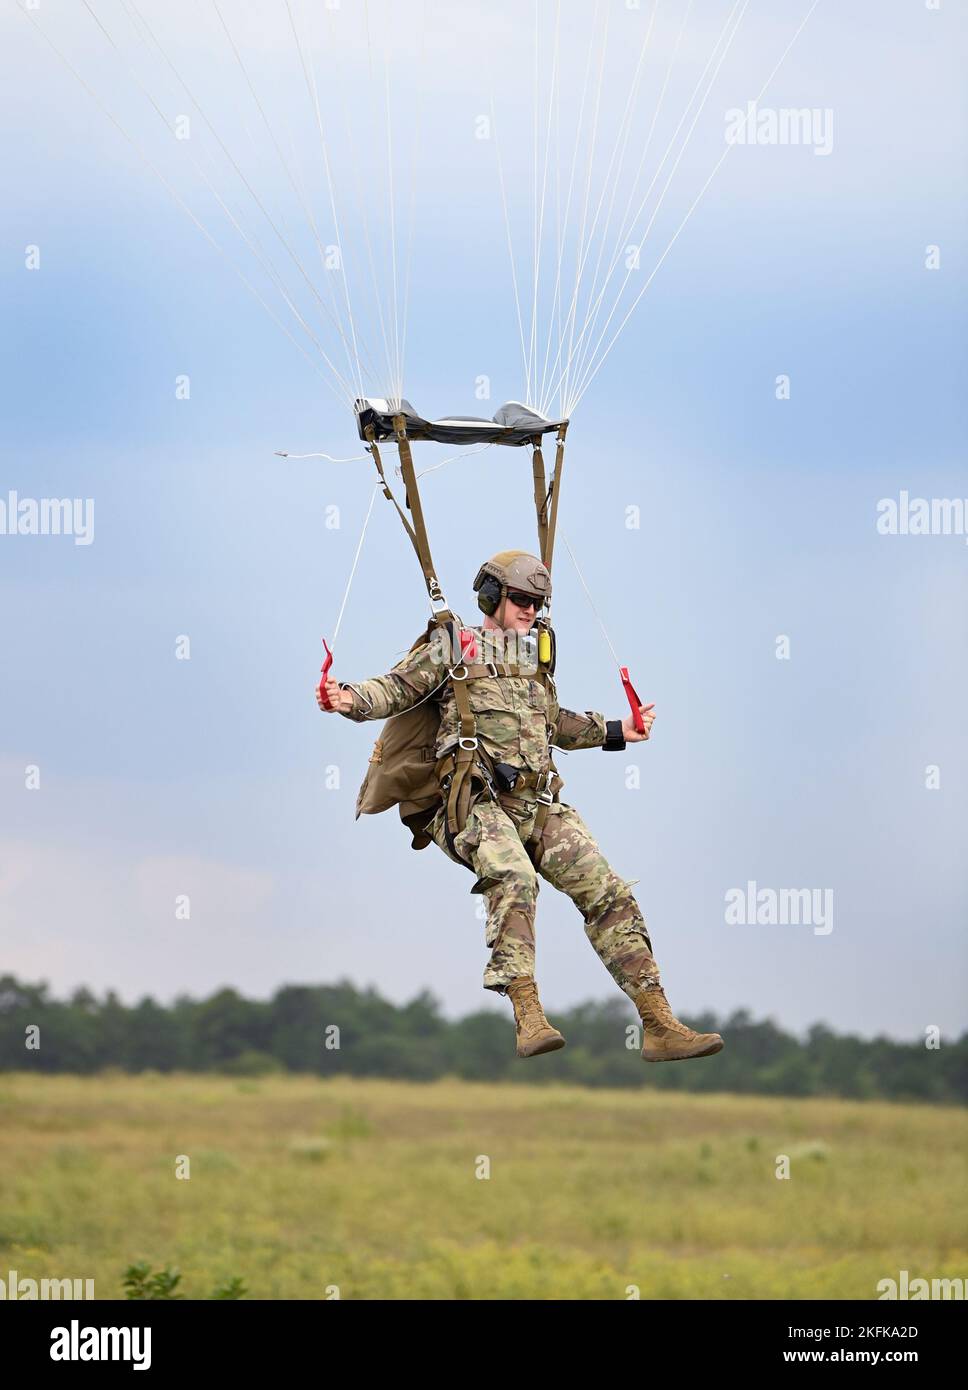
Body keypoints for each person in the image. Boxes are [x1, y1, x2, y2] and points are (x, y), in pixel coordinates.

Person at [318, 550, 723, 1064]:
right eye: (521, 600)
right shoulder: (454, 645)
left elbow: (554, 723)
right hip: (473, 805)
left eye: (538, 602)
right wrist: (346, 698)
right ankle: (527, 1012)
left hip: (537, 802)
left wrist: (622, 730)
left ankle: (659, 1022)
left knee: (607, 889)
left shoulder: (537, 655)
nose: (531, 610)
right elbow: (396, 689)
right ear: (492, 597)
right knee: (514, 875)